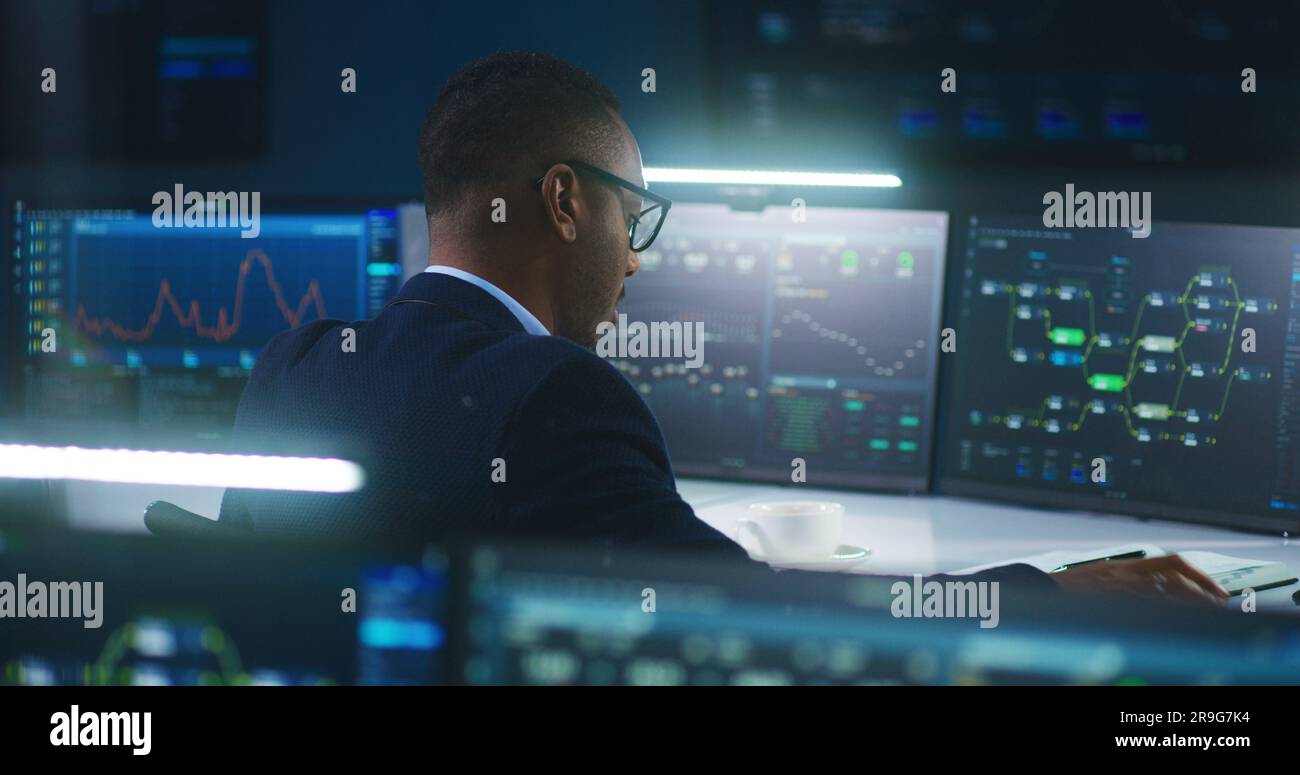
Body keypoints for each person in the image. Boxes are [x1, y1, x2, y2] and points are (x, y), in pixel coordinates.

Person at [219, 51, 1224, 605]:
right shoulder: (557, 396)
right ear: (567, 202)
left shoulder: (293, 367)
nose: (637, 258)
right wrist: (1065, 591)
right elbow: (776, 631)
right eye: (635, 217)